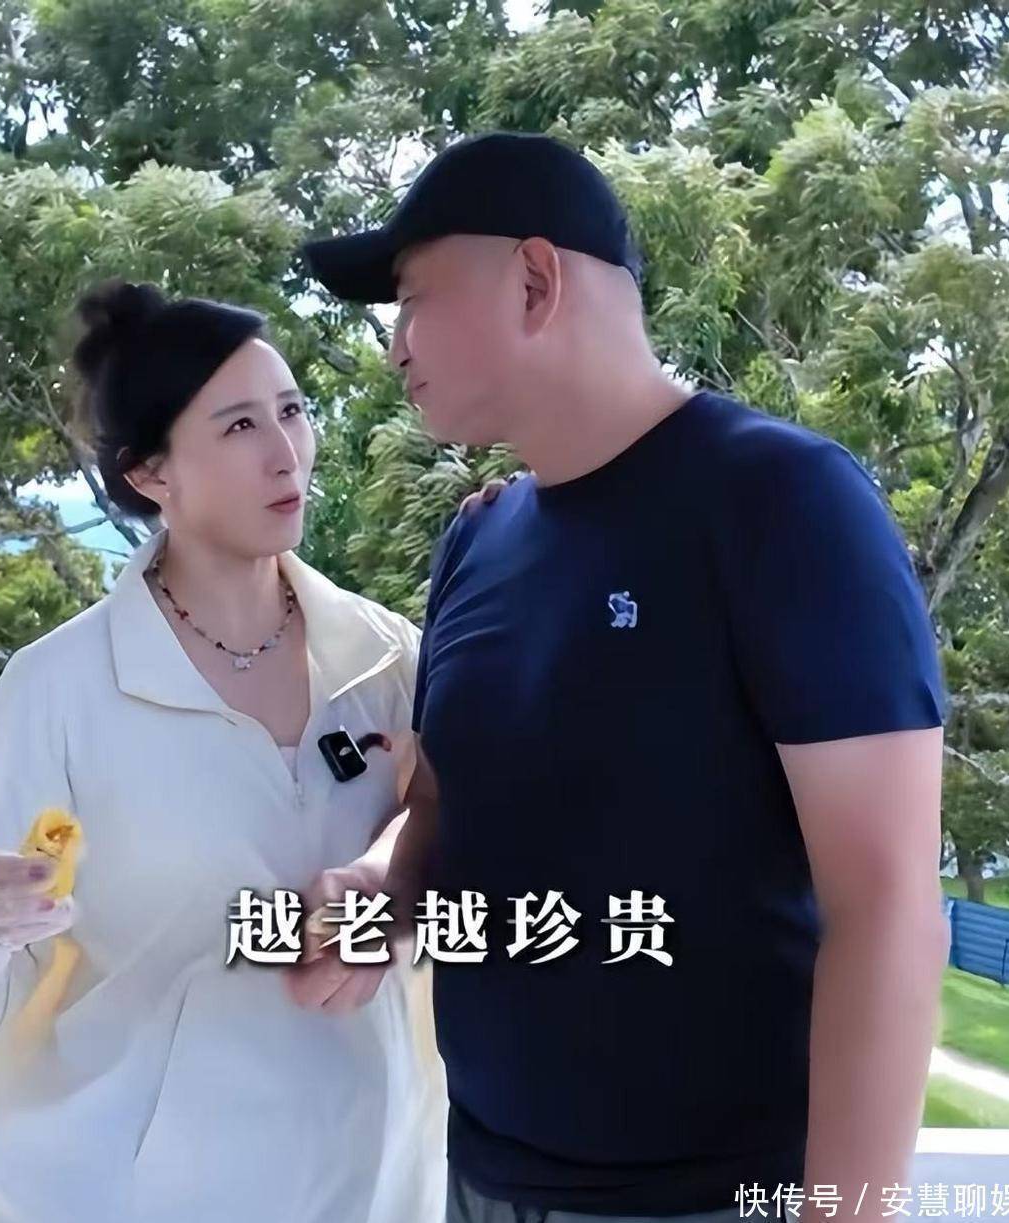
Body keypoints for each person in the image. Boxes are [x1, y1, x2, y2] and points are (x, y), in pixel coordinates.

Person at [300, 132, 952, 1223]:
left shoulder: (783, 502)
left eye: (412, 301)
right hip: (482, 1176)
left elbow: (886, 905)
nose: (396, 348)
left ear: (535, 280)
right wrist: (385, 891)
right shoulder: (476, 538)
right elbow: (448, 802)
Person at [0, 279, 449, 1223]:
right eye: (240, 425)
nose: (287, 451)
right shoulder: (61, 692)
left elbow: (458, 846)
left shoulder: (386, 657)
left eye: (293, 411)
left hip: (372, 1190)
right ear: (150, 475)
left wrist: (388, 882)